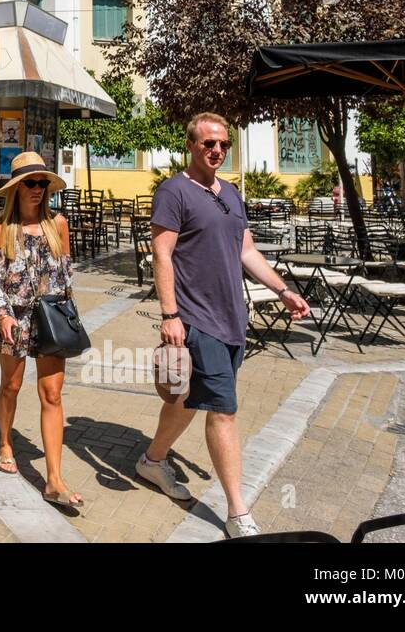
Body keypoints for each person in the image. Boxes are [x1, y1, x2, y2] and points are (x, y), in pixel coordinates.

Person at [135, 113, 310, 538]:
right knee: (224, 410)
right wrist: (170, 315)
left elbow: (246, 252)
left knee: (189, 400)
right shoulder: (173, 192)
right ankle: (238, 512)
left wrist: (282, 289)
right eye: (208, 143)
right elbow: (162, 255)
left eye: (223, 144)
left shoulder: (230, 193)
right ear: (191, 145)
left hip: (233, 317)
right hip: (197, 319)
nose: (216, 150)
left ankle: (151, 462)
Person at [0, 151, 83, 509]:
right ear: (16, 188)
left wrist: (67, 313)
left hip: (51, 320)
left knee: (52, 395)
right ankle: (6, 442)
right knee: (11, 386)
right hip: (14, 319)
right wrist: (5, 315)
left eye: (43, 183)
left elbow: (68, 274)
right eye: (31, 183)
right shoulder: (1, 228)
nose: (38, 189)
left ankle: (54, 479)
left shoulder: (59, 224)